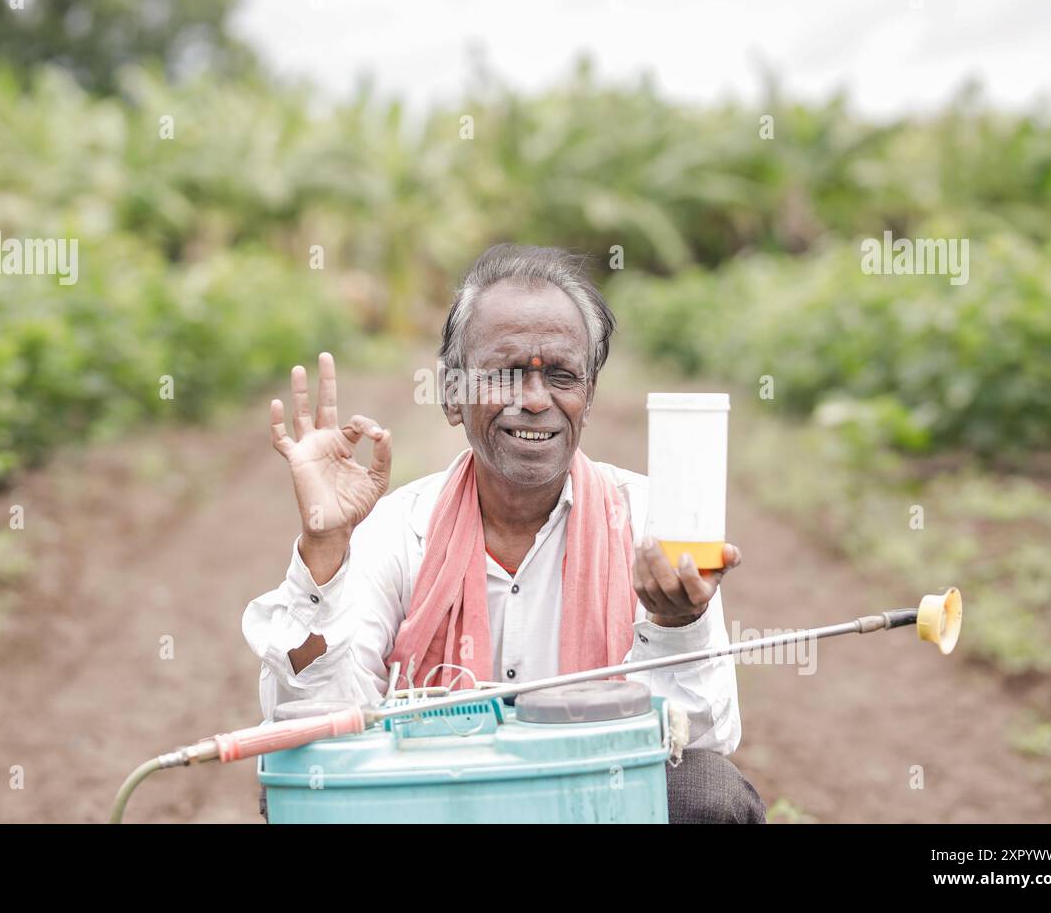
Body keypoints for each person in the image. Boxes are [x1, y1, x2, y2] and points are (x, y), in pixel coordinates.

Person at [243, 244, 765, 823]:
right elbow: (312, 723)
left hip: (591, 801)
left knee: (710, 795)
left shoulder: (650, 523)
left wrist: (677, 626)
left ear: (587, 396)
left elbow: (699, 742)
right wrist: (324, 545)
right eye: (502, 375)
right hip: (440, 800)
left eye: (562, 376)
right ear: (451, 395)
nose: (535, 400)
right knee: (300, 786)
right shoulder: (396, 530)